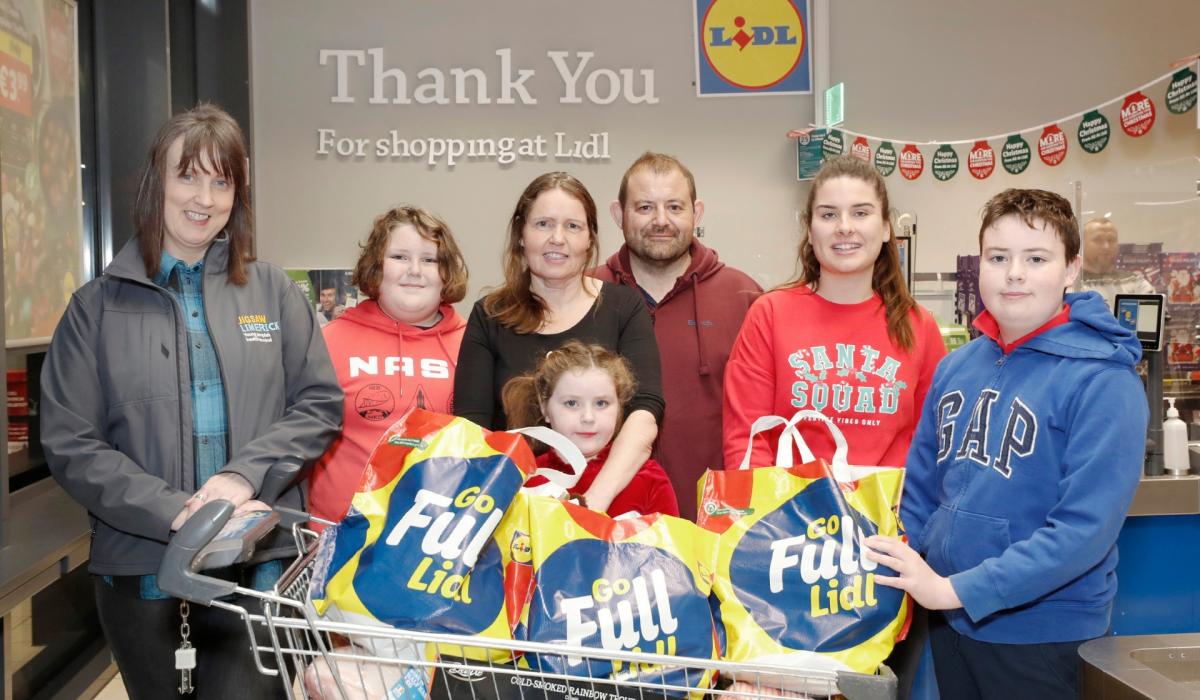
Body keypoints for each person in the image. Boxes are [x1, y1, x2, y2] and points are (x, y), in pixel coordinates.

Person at [40, 104, 343, 699]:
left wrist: (242, 478)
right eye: (188, 176)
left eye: (222, 180)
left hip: (258, 565)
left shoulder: (272, 290)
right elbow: (70, 443)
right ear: (158, 183)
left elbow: (317, 404)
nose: (204, 197)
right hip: (144, 568)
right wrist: (177, 512)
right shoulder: (96, 307)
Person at [866, 189, 1148, 699]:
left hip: (1045, 635)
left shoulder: (1104, 381)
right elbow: (922, 493)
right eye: (998, 258)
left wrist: (954, 589)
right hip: (951, 624)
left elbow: (1084, 531)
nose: (1014, 273)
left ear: (1071, 269)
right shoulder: (956, 368)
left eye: (1036, 258)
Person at [455, 171, 664, 514]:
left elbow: (645, 413)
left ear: (589, 240)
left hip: (612, 509)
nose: (557, 238)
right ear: (521, 235)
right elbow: (473, 432)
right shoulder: (490, 315)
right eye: (543, 224)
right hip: (513, 512)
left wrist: (589, 505)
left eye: (572, 226)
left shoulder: (624, 308)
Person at [722, 154, 945, 471]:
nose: (844, 227)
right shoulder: (769, 314)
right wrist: (775, 517)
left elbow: (931, 444)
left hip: (889, 516)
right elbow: (746, 439)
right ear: (810, 231)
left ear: (885, 229)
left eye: (860, 213)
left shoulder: (919, 326)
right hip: (790, 515)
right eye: (828, 215)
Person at [594, 152, 760, 519]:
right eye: (644, 207)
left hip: (716, 522)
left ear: (696, 213)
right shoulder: (589, 294)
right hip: (606, 523)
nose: (660, 221)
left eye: (674, 206)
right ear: (618, 214)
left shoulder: (744, 297)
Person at [309, 205, 469, 524]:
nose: (414, 270)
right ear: (376, 267)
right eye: (399, 257)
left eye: (429, 259)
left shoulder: (474, 346)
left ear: (446, 272)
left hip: (440, 546)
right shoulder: (327, 342)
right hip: (339, 540)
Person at [503, 340, 679, 517]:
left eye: (601, 403)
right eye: (571, 403)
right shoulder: (524, 478)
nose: (588, 417)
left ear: (619, 407)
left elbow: (673, 543)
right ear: (544, 407)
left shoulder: (650, 478)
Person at [1074, 217, 1154, 309]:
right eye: (1098, 240)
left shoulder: (1135, 282)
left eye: (1111, 240)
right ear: (1081, 244)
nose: (1106, 246)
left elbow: (1157, 319)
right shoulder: (1071, 283)